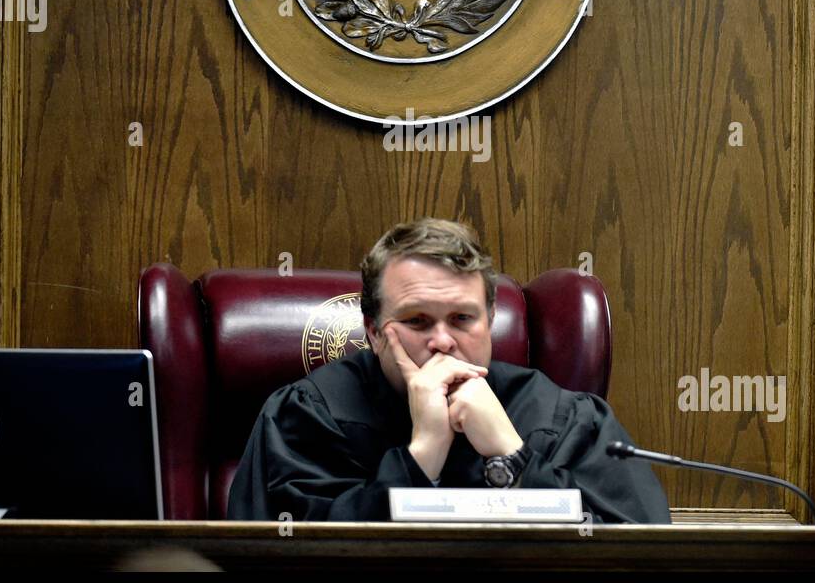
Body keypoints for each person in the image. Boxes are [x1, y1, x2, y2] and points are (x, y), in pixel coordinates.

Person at [226, 218, 671, 523]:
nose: (442, 341)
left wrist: (513, 457)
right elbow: (284, 558)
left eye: (462, 319)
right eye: (417, 321)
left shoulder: (562, 416)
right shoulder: (308, 415)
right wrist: (420, 458)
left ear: (490, 321)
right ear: (375, 332)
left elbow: (639, 552)